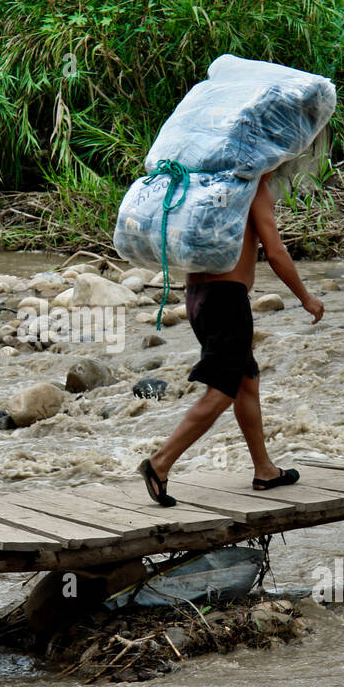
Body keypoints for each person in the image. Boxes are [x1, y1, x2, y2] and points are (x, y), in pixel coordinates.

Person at [138, 171, 324, 507]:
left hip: (196, 296)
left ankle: (265, 469)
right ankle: (160, 463)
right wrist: (306, 298)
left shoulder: (207, 185)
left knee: (246, 381)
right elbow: (276, 252)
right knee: (222, 391)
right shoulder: (254, 190)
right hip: (227, 300)